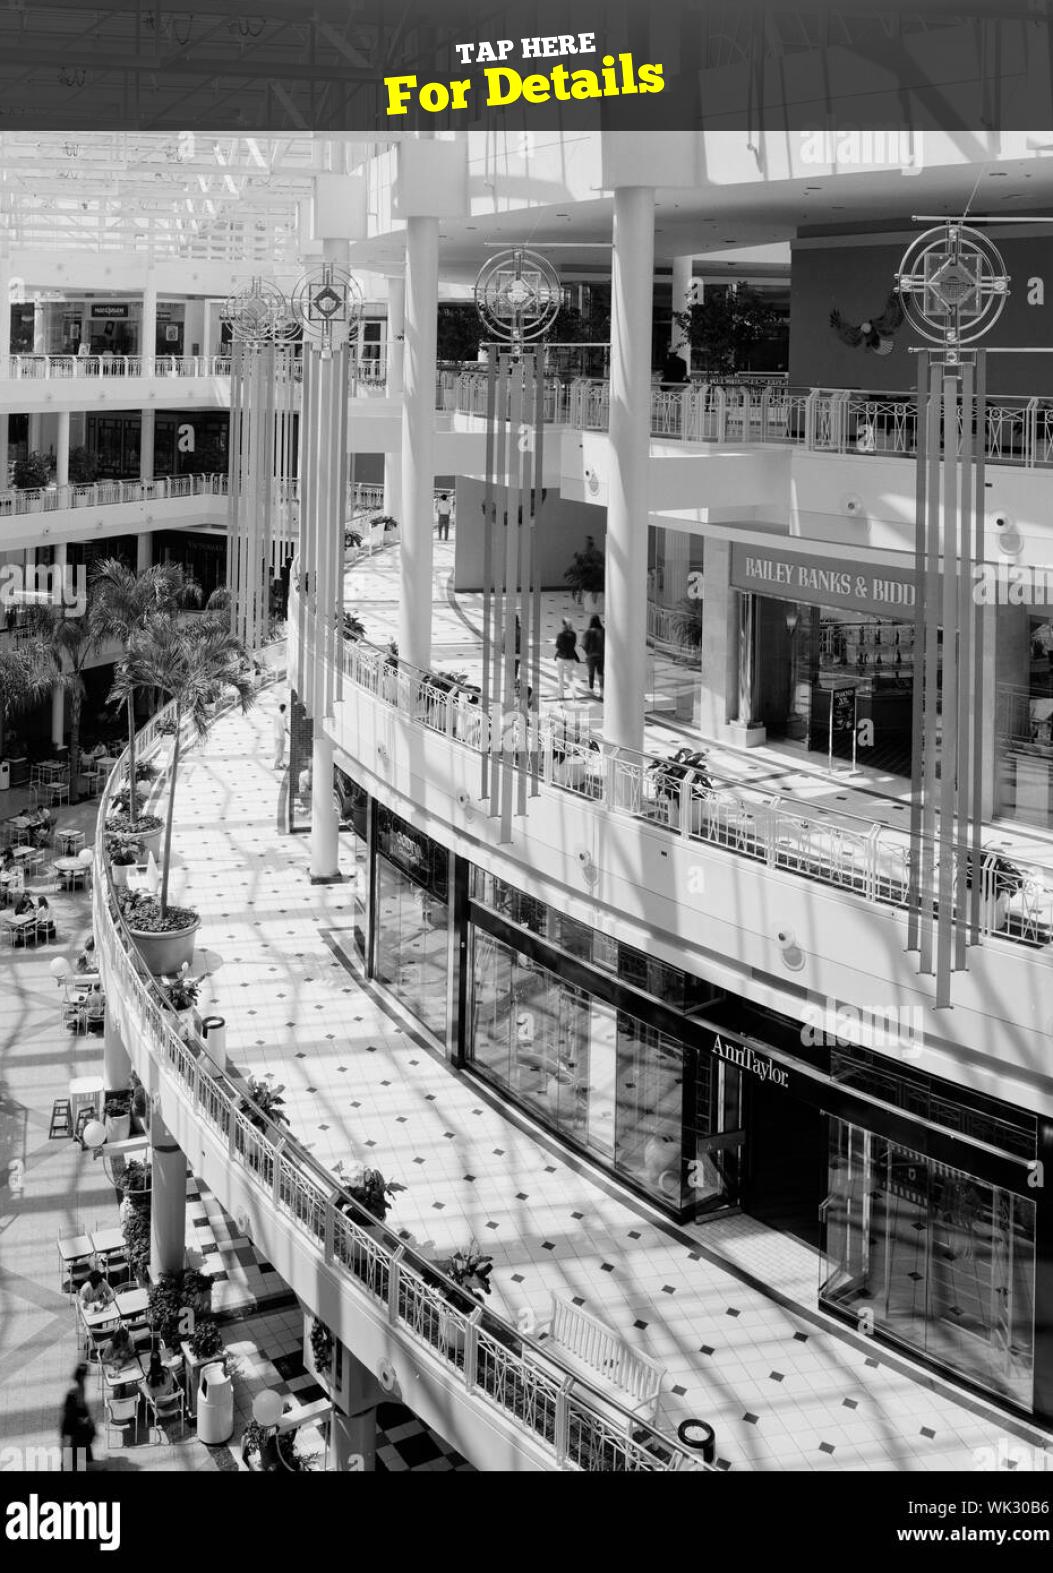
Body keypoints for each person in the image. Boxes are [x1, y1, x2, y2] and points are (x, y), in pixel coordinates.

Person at [59, 1363, 96, 1470]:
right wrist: (84, 1419)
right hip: (72, 1419)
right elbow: (76, 1405)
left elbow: (82, 1403)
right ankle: (71, 1466)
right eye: (85, 1374)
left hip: (75, 1418)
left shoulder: (80, 1384)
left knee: (77, 1442)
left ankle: (73, 1465)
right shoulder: (75, 1387)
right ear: (81, 1375)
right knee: (77, 1441)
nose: (86, 1376)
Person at [554, 619, 580, 700]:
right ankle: (574, 693)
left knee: (560, 677)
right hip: (570, 658)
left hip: (561, 658)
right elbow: (573, 646)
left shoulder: (560, 635)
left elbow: (557, 646)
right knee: (570, 677)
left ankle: (561, 695)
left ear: (564, 626)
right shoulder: (573, 635)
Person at [582, 614, 605, 697]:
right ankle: (602, 692)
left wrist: (588, 652)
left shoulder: (588, 632)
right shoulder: (603, 631)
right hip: (601, 655)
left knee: (591, 673)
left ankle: (591, 689)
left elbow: (584, 644)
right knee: (600, 673)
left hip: (591, 656)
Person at [272, 702, 287, 770]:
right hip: (281, 737)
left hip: (276, 736)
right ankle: (276, 765)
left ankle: (280, 764)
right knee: (280, 753)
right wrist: (290, 734)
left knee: (278, 751)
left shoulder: (276, 715)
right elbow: (285, 728)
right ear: (284, 709)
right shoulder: (283, 717)